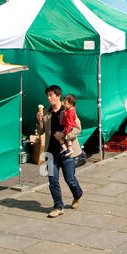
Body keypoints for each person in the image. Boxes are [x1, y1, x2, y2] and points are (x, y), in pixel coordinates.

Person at [42, 85, 83, 218]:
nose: (49, 98)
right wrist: (39, 120)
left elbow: (77, 129)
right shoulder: (46, 113)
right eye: (47, 96)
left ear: (58, 96)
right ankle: (58, 207)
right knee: (53, 181)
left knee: (70, 179)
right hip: (51, 151)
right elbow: (40, 131)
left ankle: (77, 195)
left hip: (67, 152)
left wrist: (65, 137)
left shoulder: (68, 111)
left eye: (51, 95)